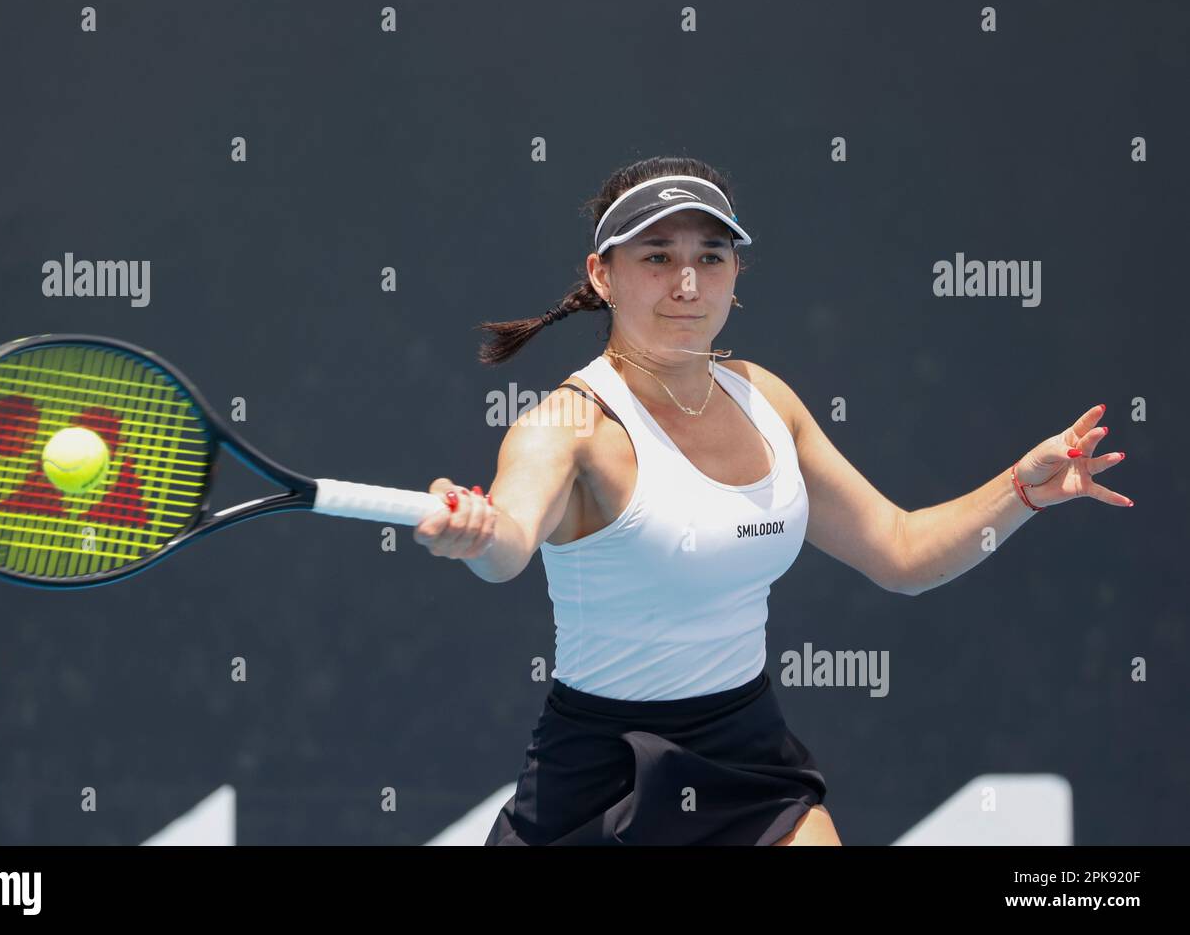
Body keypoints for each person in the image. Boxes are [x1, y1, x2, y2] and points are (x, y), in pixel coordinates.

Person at [412, 156, 1132, 845]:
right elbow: (507, 544)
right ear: (603, 276)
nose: (688, 282)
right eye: (657, 257)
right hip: (600, 774)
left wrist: (1021, 491)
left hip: (746, 752)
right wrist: (474, 533)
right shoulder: (566, 425)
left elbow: (903, 553)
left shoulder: (766, 399)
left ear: (735, 275)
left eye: (712, 257)